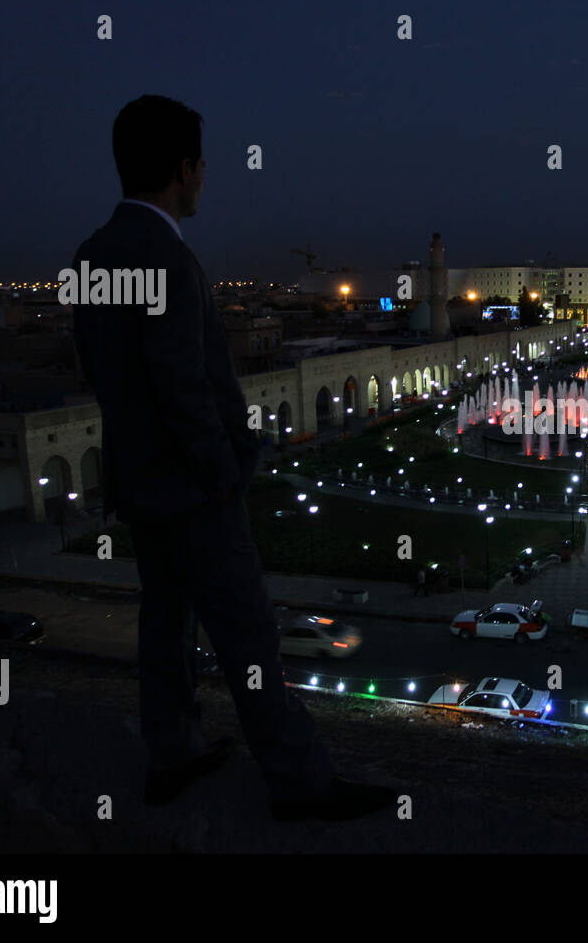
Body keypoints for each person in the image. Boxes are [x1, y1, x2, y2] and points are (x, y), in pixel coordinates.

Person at [70, 95, 396, 822]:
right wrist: (223, 472)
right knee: (249, 636)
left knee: (165, 622)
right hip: (195, 492)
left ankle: (172, 751)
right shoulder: (169, 258)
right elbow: (186, 387)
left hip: (142, 486)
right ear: (184, 169)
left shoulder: (93, 254)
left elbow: (97, 368)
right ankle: (300, 781)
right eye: (202, 166)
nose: (206, 179)